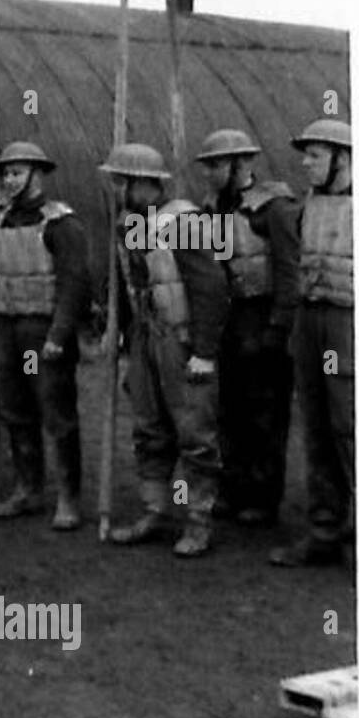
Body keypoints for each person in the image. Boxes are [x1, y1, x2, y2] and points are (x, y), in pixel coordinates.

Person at [102, 143, 228, 557]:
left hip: (181, 338)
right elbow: (127, 284)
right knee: (148, 427)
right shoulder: (128, 224)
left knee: (193, 430)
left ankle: (197, 520)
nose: (116, 189)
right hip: (145, 337)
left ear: (144, 183)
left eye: (121, 181)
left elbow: (210, 288)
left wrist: (204, 352)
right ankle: (155, 509)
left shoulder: (183, 220)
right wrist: (118, 334)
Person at [0, 141, 91, 529]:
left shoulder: (61, 224)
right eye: (5, 173)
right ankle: (29, 488)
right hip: (9, 326)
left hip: (41, 332)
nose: (8, 181)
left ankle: (68, 498)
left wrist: (59, 334)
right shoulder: (1, 220)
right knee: (14, 409)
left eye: (16, 172)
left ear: (37, 175)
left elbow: (75, 283)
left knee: (55, 412)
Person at [193, 128, 297, 526]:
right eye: (208, 166)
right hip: (229, 320)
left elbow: (290, 272)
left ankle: (263, 496)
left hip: (263, 317)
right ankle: (232, 488)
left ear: (241, 165)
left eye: (216, 165)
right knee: (229, 408)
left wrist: (279, 329)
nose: (210, 174)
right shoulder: (211, 209)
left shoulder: (276, 208)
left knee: (265, 412)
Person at [270, 119, 354, 567]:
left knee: (352, 429)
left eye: (315, 154)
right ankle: (324, 529)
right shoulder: (309, 204)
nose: (305, 162)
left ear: (343, 158)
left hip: (350, 325)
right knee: (317, 428)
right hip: (312, 320)